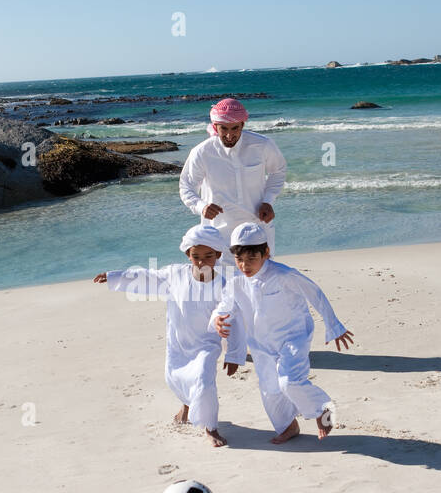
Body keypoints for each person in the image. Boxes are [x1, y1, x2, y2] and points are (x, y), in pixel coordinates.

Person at [93, 223, 245, 447]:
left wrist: (233, 354)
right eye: (196, 256)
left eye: (208, 256)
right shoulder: (175, 275)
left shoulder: (224, 286)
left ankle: (210, 427)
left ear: (219, 255)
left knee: (204, 380)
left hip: (206, 344)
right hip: (178, 342)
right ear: (187, 254)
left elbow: (233, 319)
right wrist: (115, 277)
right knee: (174, 378)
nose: (202, 261)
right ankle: (186, 404)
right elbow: (147, 277)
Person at [212, 222, 354, 445]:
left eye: (251, 259)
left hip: (293, 338)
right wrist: (217, 320)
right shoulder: (236, 283)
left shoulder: (284, 274)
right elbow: (224, 308)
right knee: (270, 389)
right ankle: (288, 426)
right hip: (260, 344)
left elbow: (314, 293)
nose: (244, 265)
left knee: (289, 382)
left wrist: (333, 326)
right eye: (239, 260)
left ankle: (323, 409)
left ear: (266, 253)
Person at [179, 97, 287, 256]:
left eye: (235, 128)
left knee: (259, 278)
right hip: (218, 233)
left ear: (242, 125)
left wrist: (268, 200)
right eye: (224, 129)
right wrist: (201, 206)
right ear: (215, 127)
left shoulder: (262, 145)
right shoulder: (202, 152)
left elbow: (278, 171)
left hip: (257, 229)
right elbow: (186, 186)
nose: (229, 135)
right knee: (223, 279)